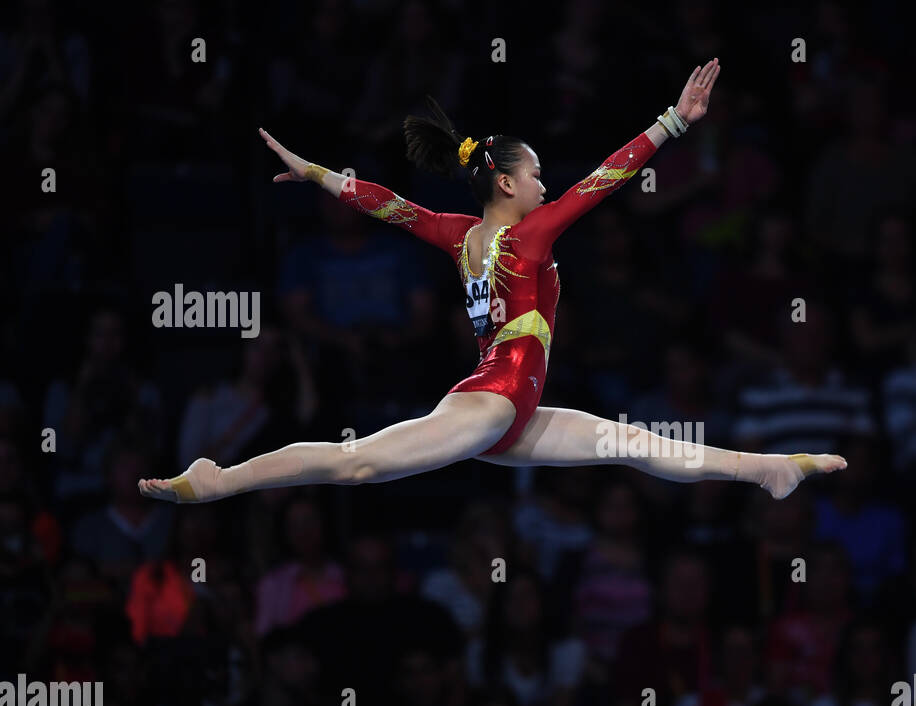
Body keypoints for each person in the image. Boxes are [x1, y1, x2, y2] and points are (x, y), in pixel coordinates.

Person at [139, 59, 847, 506]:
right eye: (537, 173)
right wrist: (674, 122)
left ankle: (767, 468)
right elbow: (605, 177)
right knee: (358, 466)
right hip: (492, 401)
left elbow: (389, 205)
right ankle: (219, 478)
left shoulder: (459, 233)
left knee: (635, 444)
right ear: (507, 181)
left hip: (514, 406)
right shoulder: (530, 234)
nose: (547, 184)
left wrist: (319, 175)